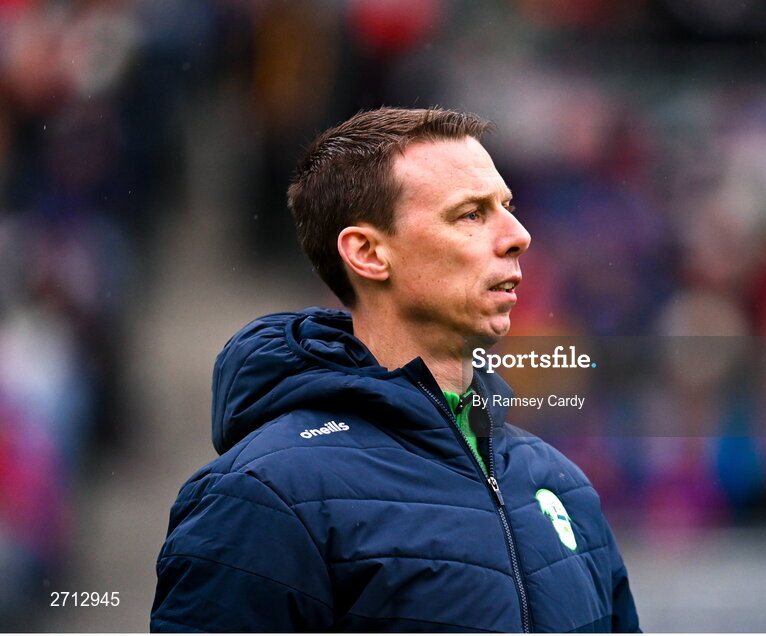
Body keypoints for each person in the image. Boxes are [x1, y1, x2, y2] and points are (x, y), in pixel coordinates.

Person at [151, 107, 640, 632]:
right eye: (471, 214)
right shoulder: (265, 496)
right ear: (368, 253)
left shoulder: (563, 486)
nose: (518, 235)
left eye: (507, 206)